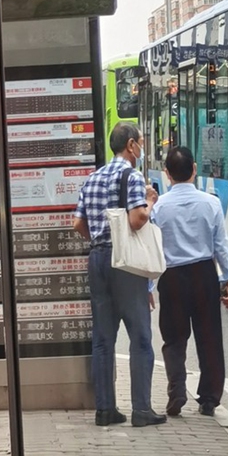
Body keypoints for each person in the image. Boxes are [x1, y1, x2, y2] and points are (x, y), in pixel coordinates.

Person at [73, 122, 166, 428]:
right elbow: (138, 219)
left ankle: (105, 410)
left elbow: (78, 224)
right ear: (130, 145)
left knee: (102, 339)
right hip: (125, 263)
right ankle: (141, 410)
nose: (141, 148)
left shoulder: (93, 177)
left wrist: (98, 241)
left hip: (98, 257)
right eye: (140, 143)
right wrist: (150, 201)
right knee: (140, 336)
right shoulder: (132, 175)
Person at [150, 146, 228, 417]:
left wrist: (148, 287)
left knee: (174, 338)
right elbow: (221, 245)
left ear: (167, 174)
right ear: (195, 169)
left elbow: (152, 250)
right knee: (209, 336)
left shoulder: (159, 207)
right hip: (203, 274)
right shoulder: (210, 203)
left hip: (172, 277)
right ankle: (209, 399)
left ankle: (177, 389)